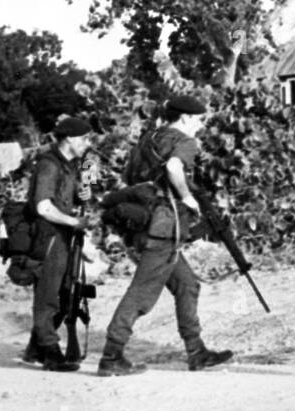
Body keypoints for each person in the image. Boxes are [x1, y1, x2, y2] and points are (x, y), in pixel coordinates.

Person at [99, 95, 234, 378]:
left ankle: (196, 352)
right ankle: (111, 355)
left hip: (146, 226)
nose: (200, 126)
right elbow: (174, 167)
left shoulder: (149, 138)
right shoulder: (185, 141)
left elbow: (130, 177)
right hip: (163, 230)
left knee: (187, 285)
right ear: (185, 118)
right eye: (198, 120)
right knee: (141, 294)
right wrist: (187, 197)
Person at [21, 116, 97, 372]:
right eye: (85, 138)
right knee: (48, 296)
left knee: (65, 292)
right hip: (49, 236)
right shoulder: (49, 165)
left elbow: (65, 195)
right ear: (71, 139)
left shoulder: (70, 165)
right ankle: (50, 353)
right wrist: (73, 221)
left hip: (63, 234)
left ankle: (36, 347)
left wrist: (80, 192)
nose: (87, 143)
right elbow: (43, 206)